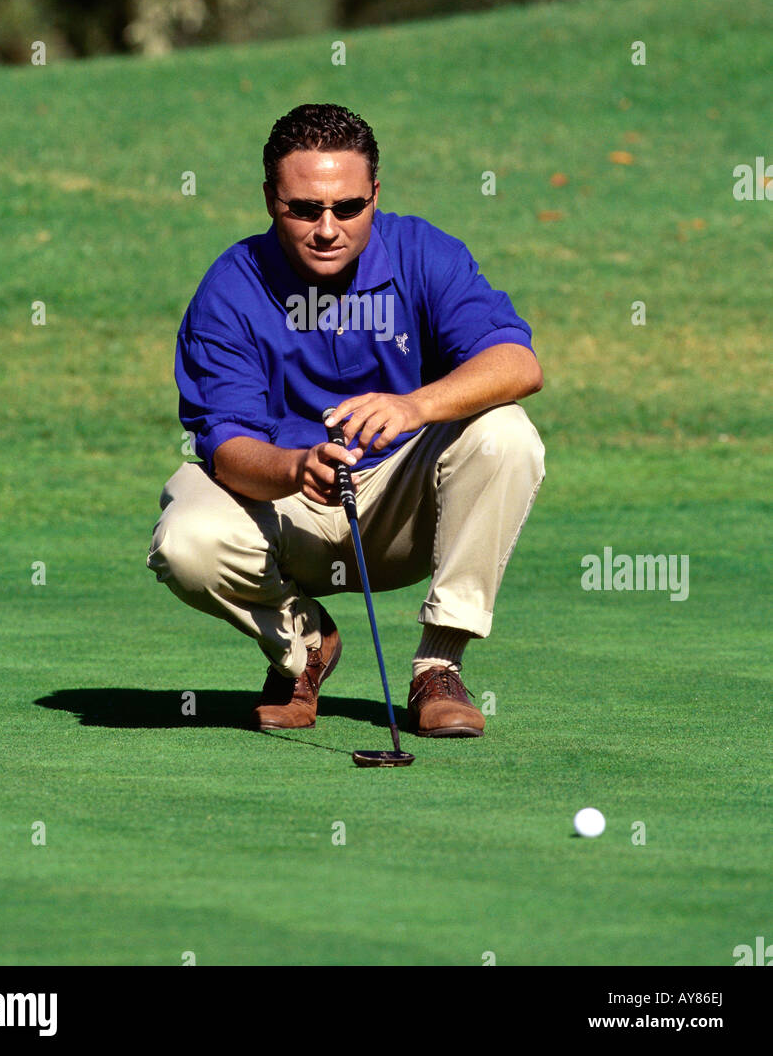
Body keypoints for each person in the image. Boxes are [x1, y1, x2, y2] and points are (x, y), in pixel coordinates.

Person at [147, 103, 545, 737]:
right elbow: (226, 450)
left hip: (400, 508)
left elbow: (517, 363)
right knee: (183, 542)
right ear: (271, 200)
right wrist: (296, 466)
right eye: (303, 209)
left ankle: (439, 666)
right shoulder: (229, 288)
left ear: (375, 195)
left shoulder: (424, 252)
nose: (327, 227)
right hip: (281, 508)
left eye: (348, 207)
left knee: (507, 433)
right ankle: (303, 648)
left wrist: (415, 405)